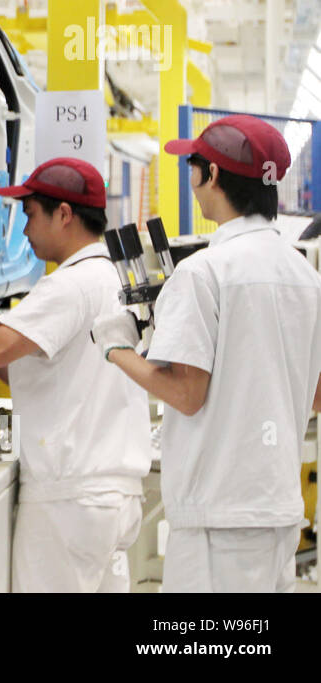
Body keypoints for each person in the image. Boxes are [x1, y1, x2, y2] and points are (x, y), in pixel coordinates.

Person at [92, 115, 321, 593]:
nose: (190, 178)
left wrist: (116, 348)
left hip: (219, 519)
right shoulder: (306, 278)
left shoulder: (204, 273)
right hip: (278, 511)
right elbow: (316, 396)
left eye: (191, 166)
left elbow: (187, 394)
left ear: (211, 175)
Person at [0, 157, 151, 592]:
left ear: (64, 214)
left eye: (30, 214)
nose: (24, 229)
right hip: (116, 499)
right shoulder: (113, 278)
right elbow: (45, 368)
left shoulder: (70, 284)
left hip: (69, 503)